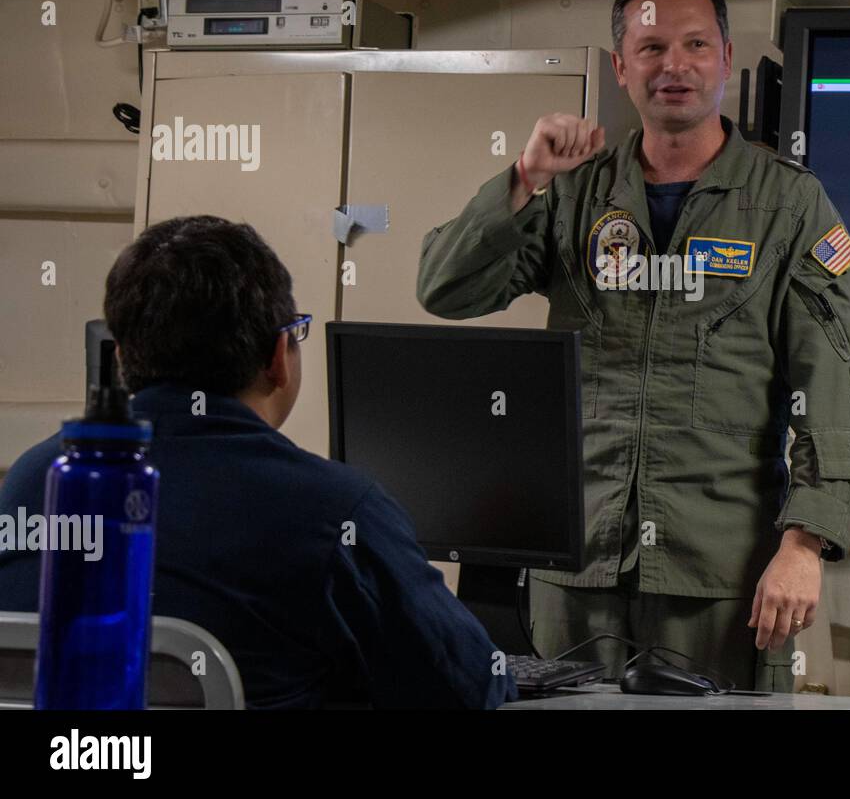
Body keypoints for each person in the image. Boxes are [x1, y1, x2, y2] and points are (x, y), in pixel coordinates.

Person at [416, 0, 850, 692]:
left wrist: (805, 543)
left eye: (696, 46)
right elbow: (445, 289)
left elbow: (836, 386)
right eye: (653, 48)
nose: (676, 67)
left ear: (725, 59)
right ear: (622, 67)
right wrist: (524, 178)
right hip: (578, 569)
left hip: (722, 576)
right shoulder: (572, 196)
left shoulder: (790, 207)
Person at [0, 215, 516, 709]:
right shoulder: (333, 512)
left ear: (120, 357)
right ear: (277, 356)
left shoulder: (32, 479)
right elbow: (466, 688)